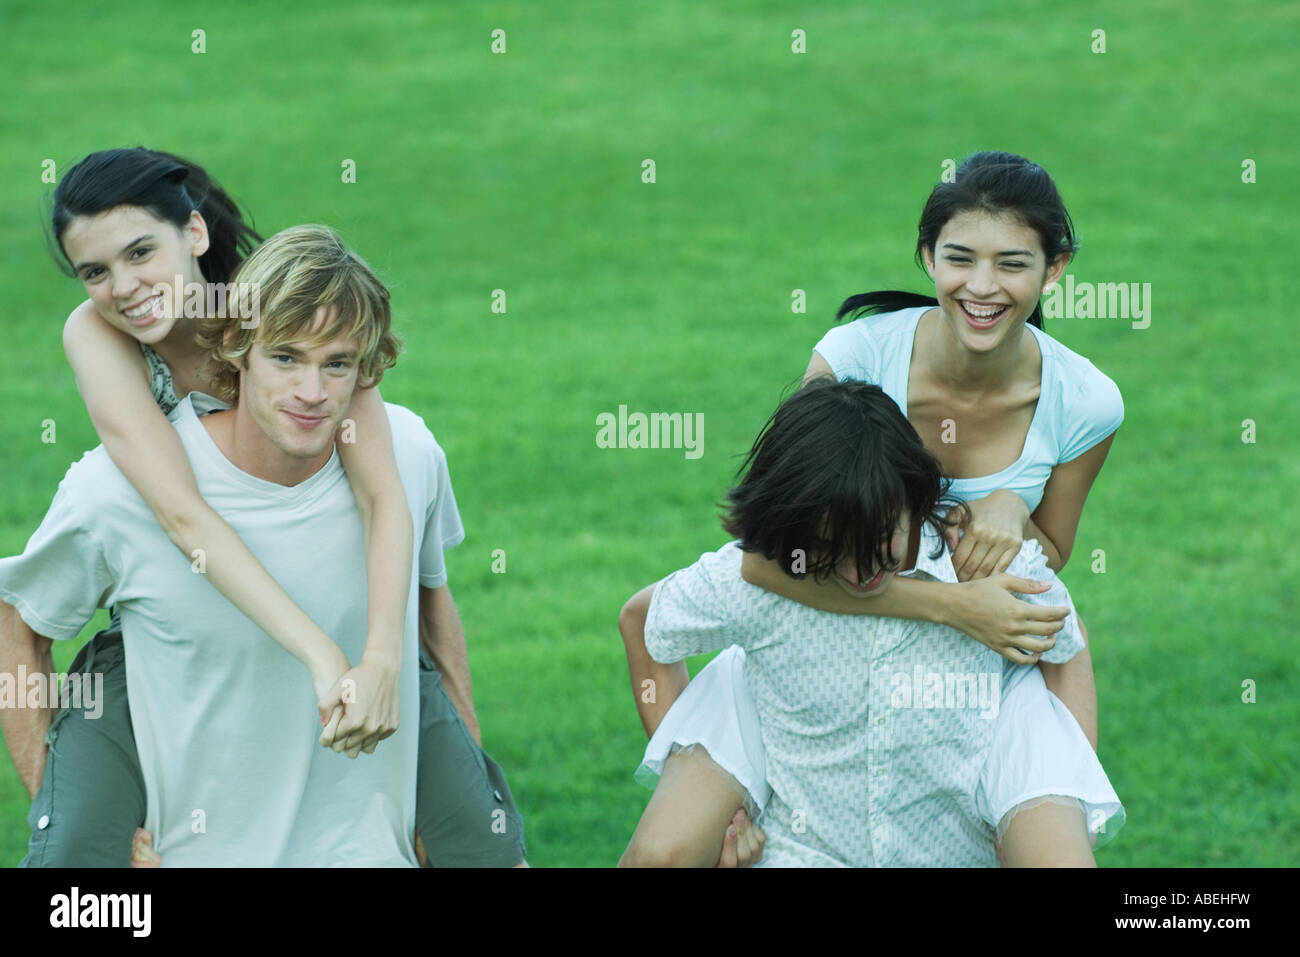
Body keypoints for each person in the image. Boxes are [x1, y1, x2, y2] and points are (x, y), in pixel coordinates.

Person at [619, 150, 1124, 864]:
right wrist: (950, 606)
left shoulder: (1087, 401)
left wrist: (1012, 507)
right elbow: (776, 547)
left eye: (1012, 262)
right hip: (817, 623)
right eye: (959, 258)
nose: (982, 287)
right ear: (926, 256)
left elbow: (1051, 558)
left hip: (966, 668)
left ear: (1055, 269)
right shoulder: (853, 358)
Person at [0, 219, 525, 866]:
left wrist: (460, 803)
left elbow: (432, 612)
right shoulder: (114, 493)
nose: (312, 393)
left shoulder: (409, 453)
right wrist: (66, 821)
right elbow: (15, 626)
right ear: (237, 347)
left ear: (366, 369)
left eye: (337, 364)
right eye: (285, 357)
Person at [620, 379, 1120, 866]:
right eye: (831, 547)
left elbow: (1066, 648)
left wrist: (1066, 794)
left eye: (881, 539)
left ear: (914, 497)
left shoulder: (984, 564)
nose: (861, 572)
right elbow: (643, 622)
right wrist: (712, 793)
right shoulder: (761, 581)